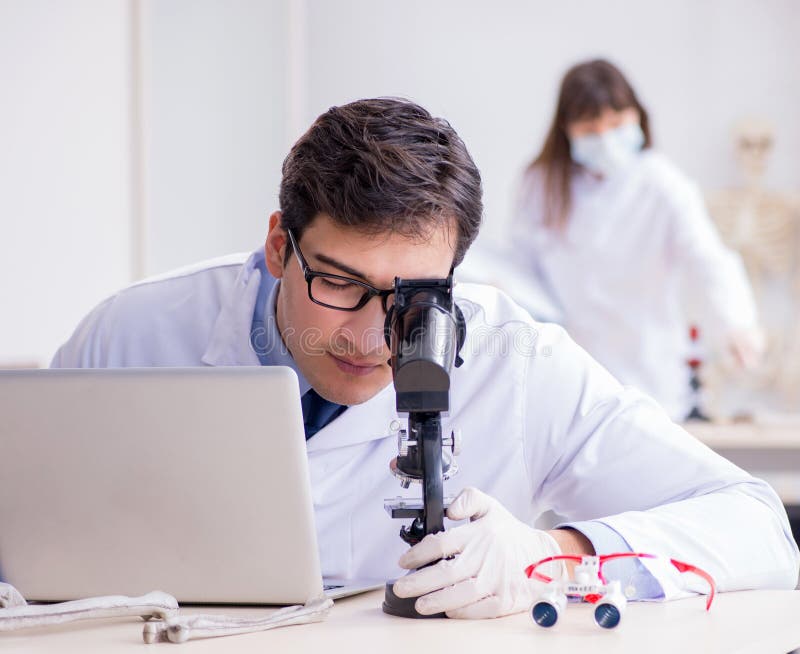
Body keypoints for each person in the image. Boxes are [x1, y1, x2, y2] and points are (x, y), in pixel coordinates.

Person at [51, 98, 797, 619]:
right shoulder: (131, 336)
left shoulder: (517, 358)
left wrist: (554, 553)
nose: (374, 340)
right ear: (280, 245)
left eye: (414, 298)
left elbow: (757, 527)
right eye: (339, 283)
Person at [509, 59, 764, 421]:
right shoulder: (542, 185)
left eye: (615, 123)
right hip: (568, 369)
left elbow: (707, 258)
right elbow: (523, 270)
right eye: (590, 125)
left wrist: (737, 323)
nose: (604, 137)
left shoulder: (662, 184)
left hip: (650, 372)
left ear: (637, 116)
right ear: (566, 127)